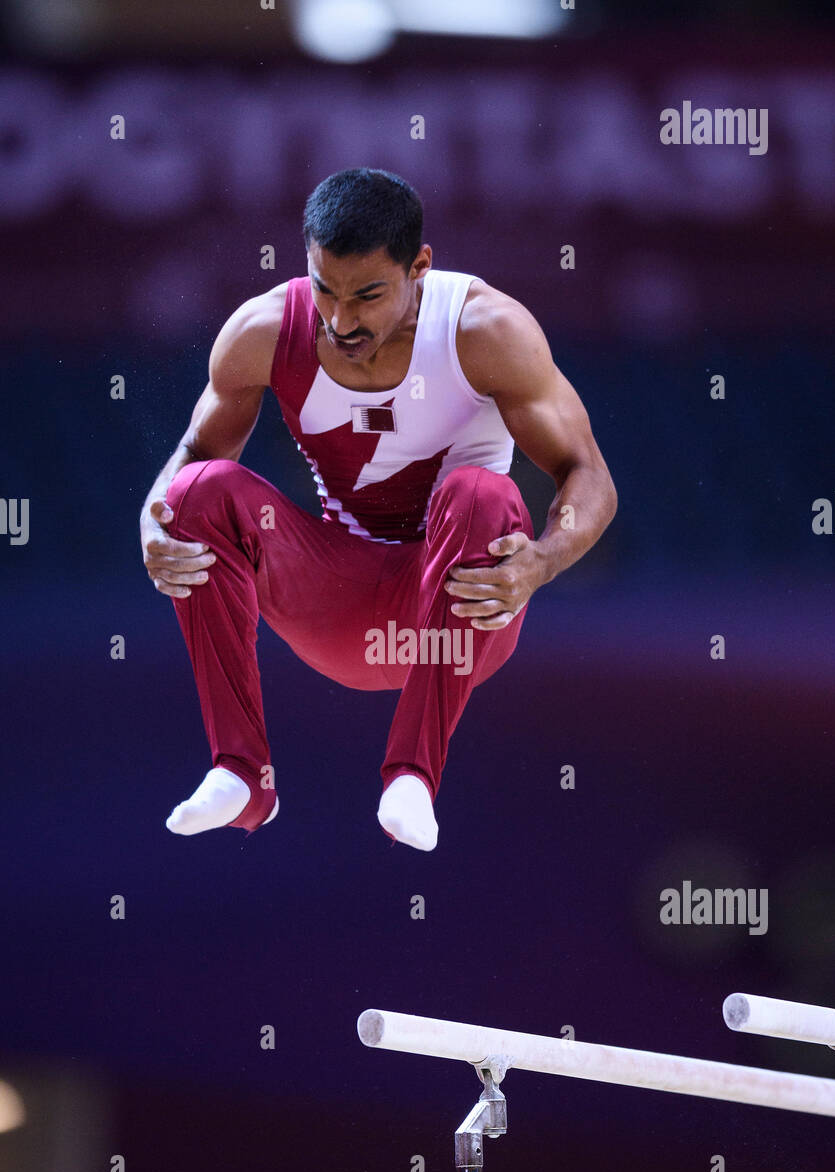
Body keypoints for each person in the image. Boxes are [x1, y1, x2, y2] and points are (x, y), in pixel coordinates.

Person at [140, 168, 617, 851]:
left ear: (419, 266)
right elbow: (189, 454)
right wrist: (148, 526)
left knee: (482, 493)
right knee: (193, 495)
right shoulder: (265, 330)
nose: (340, 321)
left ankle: (414, 776)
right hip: (340, 608)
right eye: (325, 289)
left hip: (464, 608)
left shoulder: (486, 329)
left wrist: (538, 564)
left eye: (367, 295)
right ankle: (242, 774)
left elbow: (589, 475)